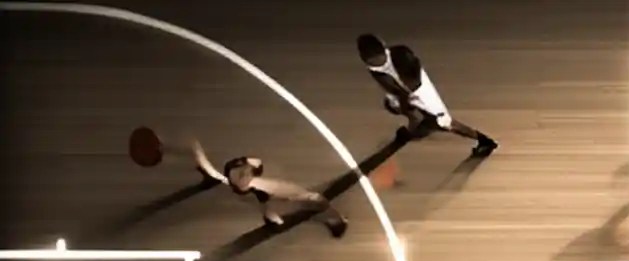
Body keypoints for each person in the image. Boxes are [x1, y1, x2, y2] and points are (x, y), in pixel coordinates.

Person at [358, 34, 498, 157]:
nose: (376, 64)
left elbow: (414, 84)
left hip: (420, 90)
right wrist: (401, 101)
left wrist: (404, 101)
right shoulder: (373, 67)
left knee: (445, 123)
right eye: (371, 61)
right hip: (401, 92)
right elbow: (387, 84)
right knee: (392, 105)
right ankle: (415, 123)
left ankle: (484, 141)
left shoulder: (402, 55)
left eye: (378, 59)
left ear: (384, 49)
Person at [192, 140, 348, 237]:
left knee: (274, 206)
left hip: (257, 193)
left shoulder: (237, 175)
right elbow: (258, 169)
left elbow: (259, 191)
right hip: (263, 193)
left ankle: (273, 219)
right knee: (312, 199)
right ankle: (336, 222)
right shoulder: (253, 184)